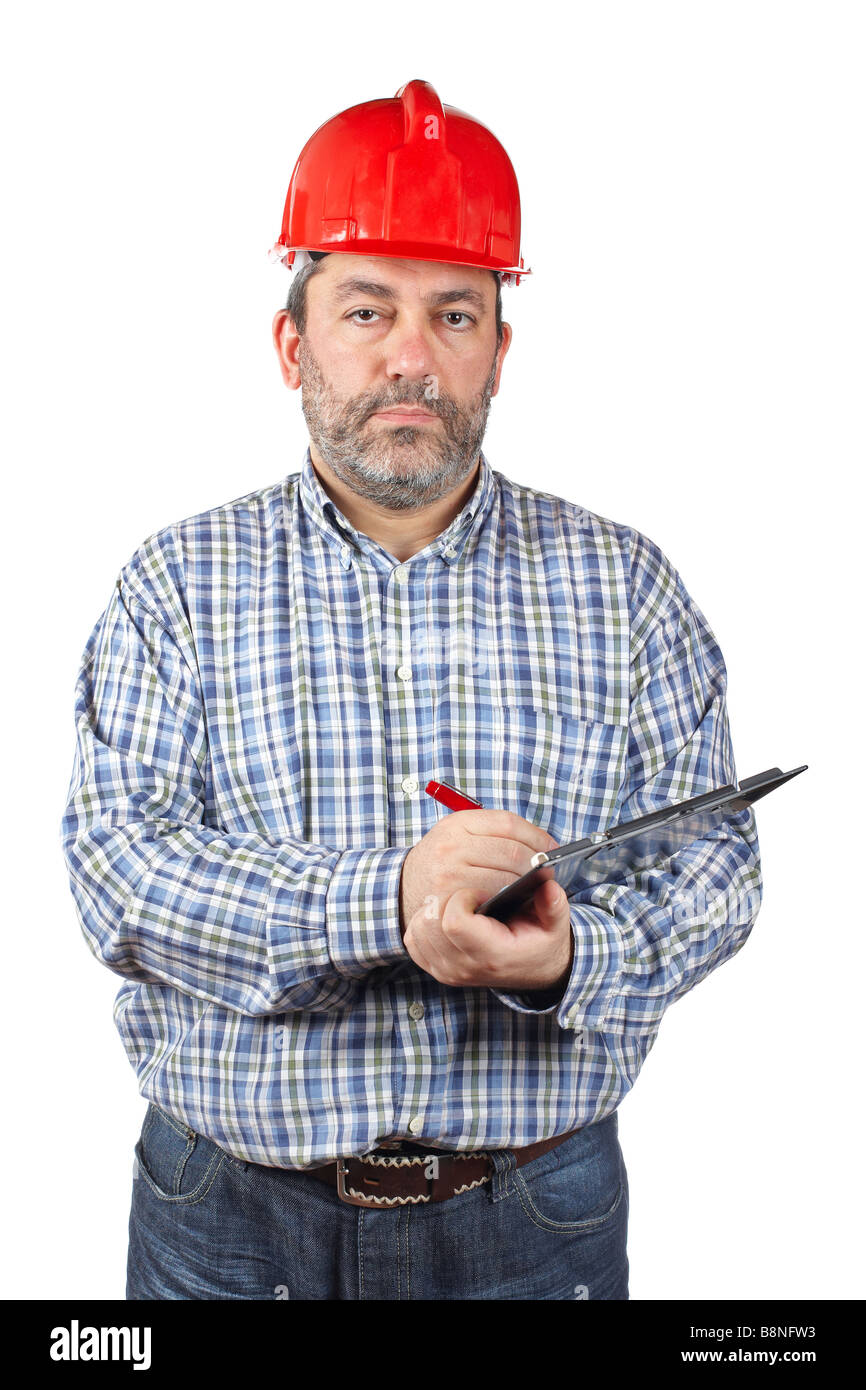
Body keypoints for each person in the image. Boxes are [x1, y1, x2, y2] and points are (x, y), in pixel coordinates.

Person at [60, 79, 762, 1302]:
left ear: (500, 348)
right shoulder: (174, 584)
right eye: (366, 309)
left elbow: (715, 869)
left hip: (534, 1219)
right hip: (229, 1224)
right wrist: (387, 897)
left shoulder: (625, 585)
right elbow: (120, 875)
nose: (409, 358)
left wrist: (565, 959)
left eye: (453, 314)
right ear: (293, 344)